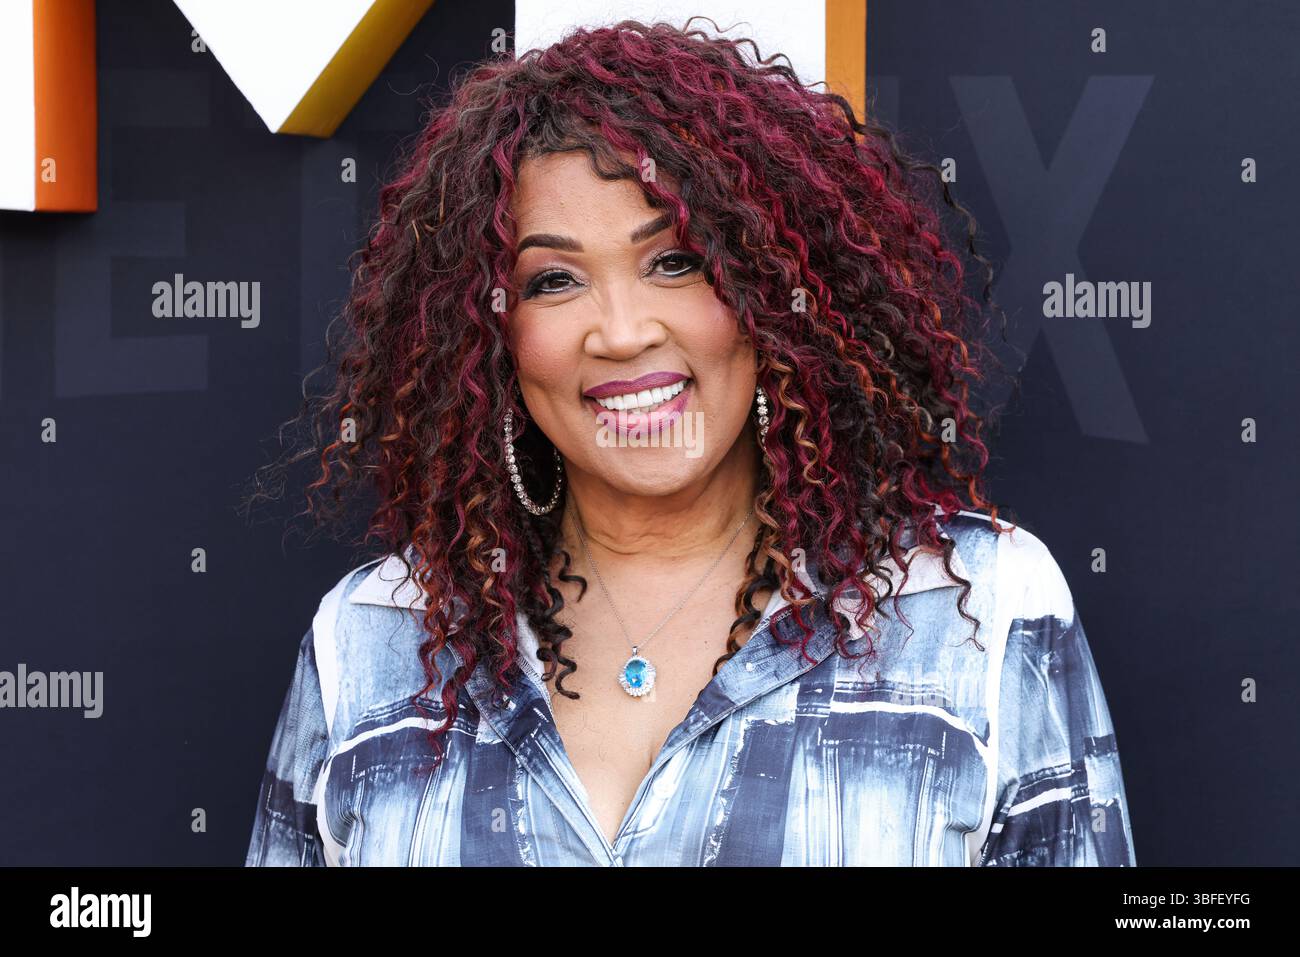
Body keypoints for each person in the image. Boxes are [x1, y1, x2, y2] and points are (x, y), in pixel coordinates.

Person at [242, 19, 1135, 866]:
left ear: (774, 284)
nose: (623, 331)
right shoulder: (374, 639)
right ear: (493, 337)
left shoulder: (973, 610)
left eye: (675, 261)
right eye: (553, 280)